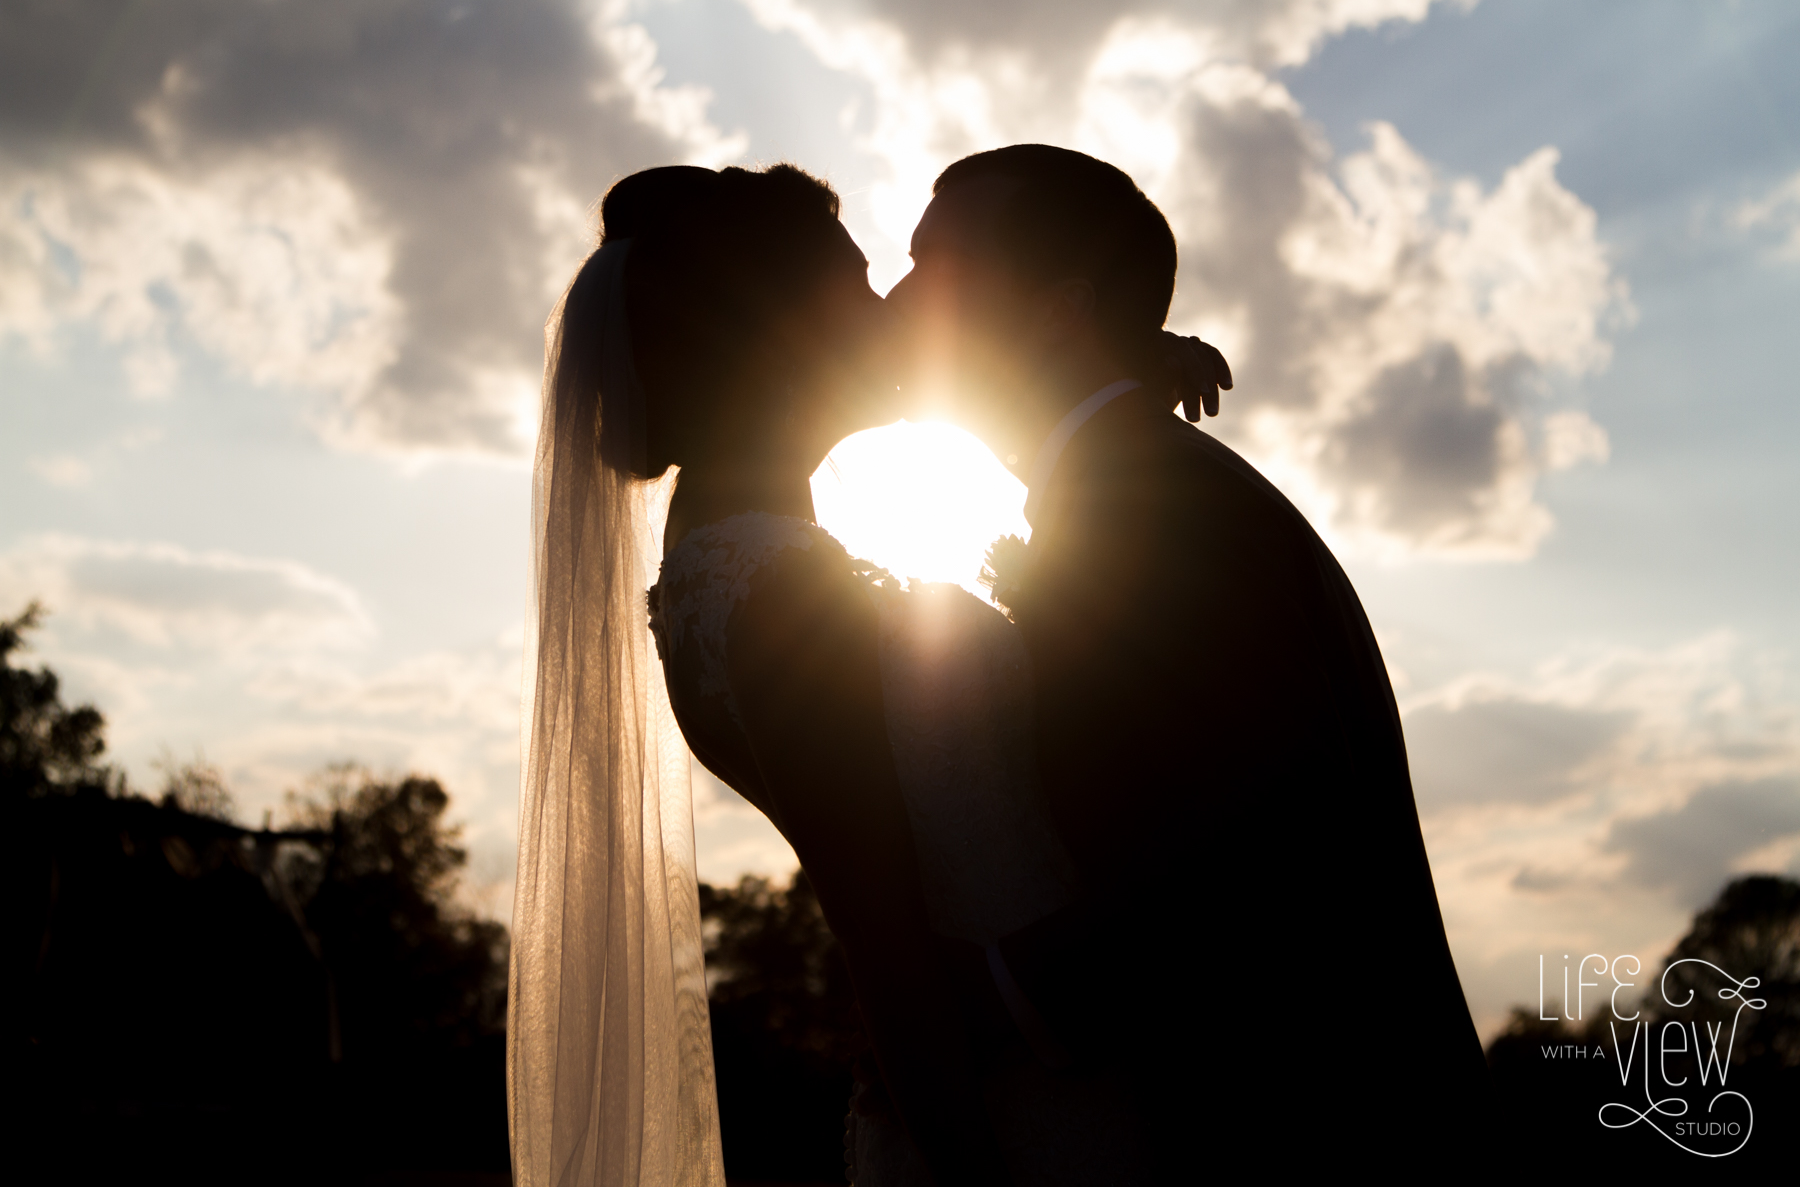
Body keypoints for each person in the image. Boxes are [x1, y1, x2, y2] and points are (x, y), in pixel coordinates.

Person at [511, 162, 1204, 1187]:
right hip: (1017, 1108)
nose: (892, 310)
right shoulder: (780, 595)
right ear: (775, 342)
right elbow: (885, 942)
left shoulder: (736, 562)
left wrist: (1122, 363)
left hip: (1040, 1058)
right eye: (861, 285)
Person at [884, 144, 1493, 1169]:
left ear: (1058, 309)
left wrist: (983, 998)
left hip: (1304, 1124)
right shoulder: (1138, 484)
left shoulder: (1152, 519)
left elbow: (1255, 853)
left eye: (935, 266)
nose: (900, 299)